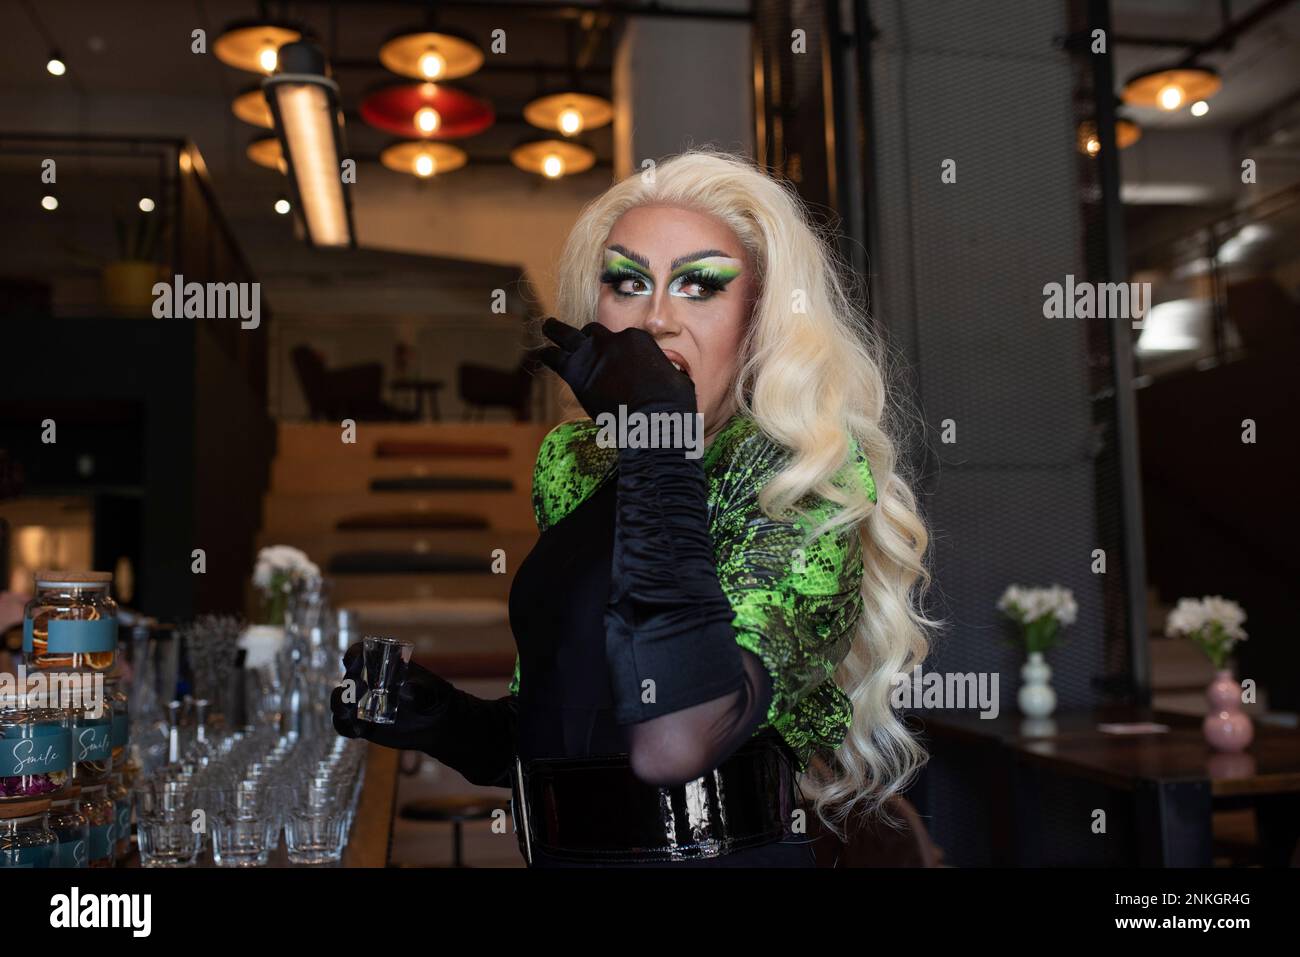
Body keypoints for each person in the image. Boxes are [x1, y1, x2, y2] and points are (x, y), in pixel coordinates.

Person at [332, 149, 937, 867]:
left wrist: (661, 443)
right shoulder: (575, 465)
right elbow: (579, 729)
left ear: (759, 319)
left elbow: (675, 740)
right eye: (628, 283)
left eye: (699, 286)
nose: (656, 319)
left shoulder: (799, 476)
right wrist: (448, 722)